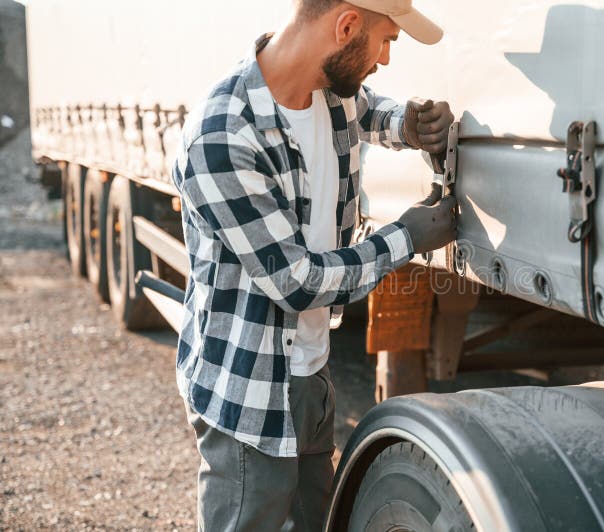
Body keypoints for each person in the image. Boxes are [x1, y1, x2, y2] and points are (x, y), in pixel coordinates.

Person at [171, 0, 457, 529]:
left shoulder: (327, 92)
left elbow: (369, 108)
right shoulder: (222, 135)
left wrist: (410, 124)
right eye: (386, 39)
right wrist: (408, 237)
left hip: (310, 371)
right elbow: (296, 282)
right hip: (250, 392)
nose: (387, 58)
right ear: (346, 26)